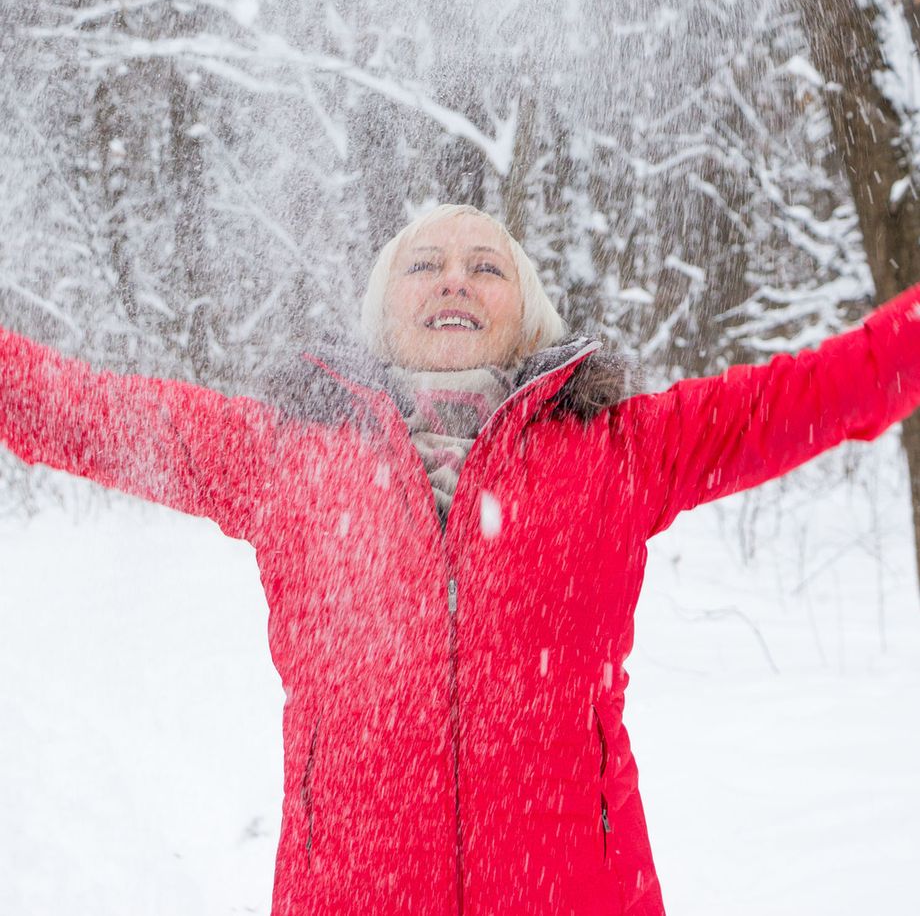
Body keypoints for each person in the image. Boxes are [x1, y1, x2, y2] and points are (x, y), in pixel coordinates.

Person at [1, 202, 919, 916]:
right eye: (424, 264)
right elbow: (80, 410)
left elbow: (823, 387)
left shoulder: (620, 450)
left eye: (488, 266)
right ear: (381, 309)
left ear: (527, 315)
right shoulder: (285, 455)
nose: (455, 280)